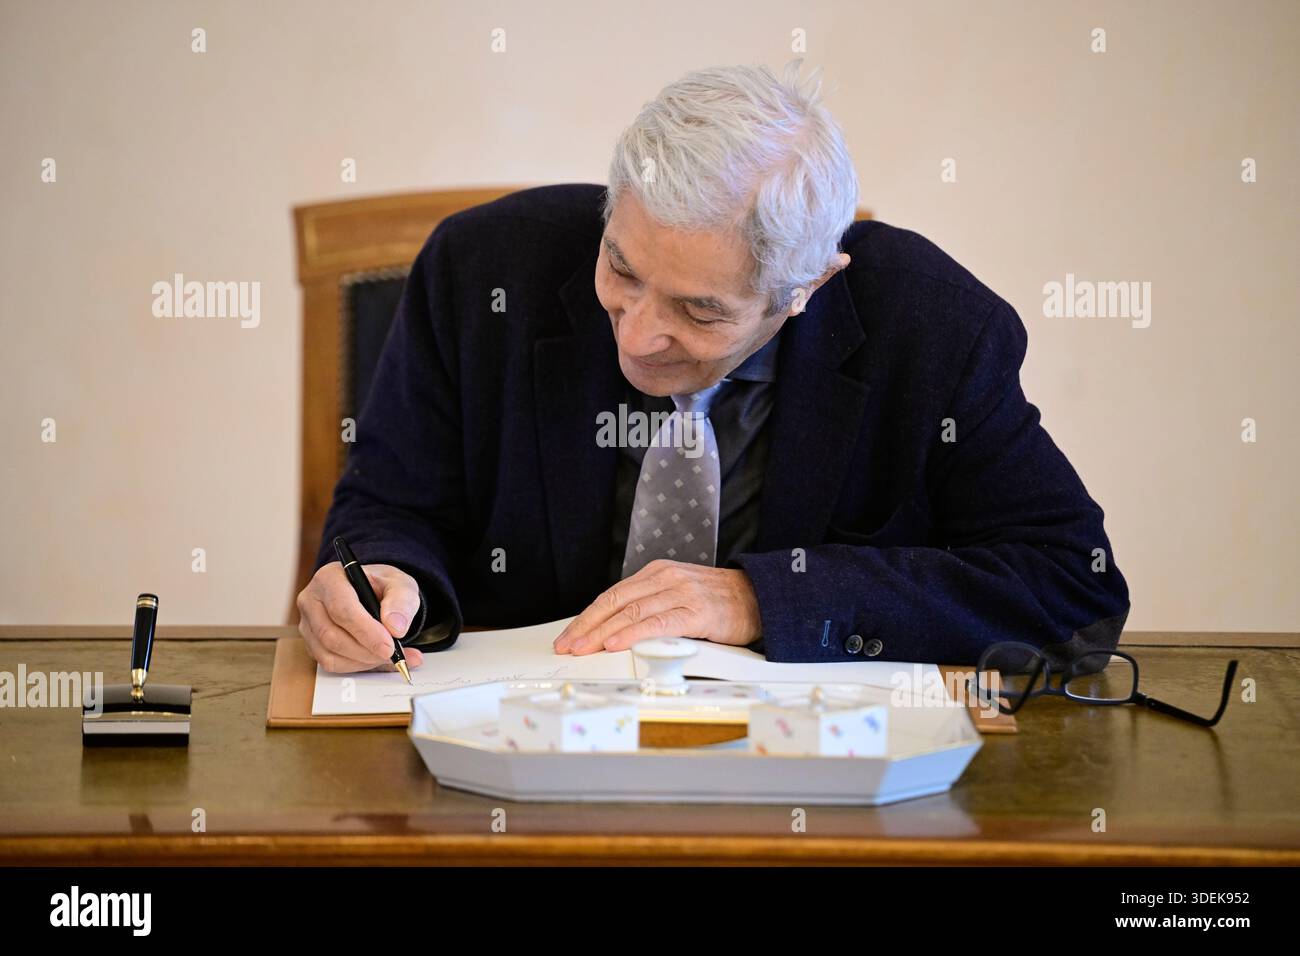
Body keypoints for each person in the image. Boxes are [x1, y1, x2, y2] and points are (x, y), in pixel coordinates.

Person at [296, 61, 1129, 675]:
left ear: (807, 289)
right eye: (621, 270)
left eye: (700, 311)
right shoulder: (482, 271)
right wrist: (384, 574)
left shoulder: (933, 326)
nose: (639, 337)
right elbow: (391, 503)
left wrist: (764, 598)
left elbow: (1069, 584)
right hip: (504, 745)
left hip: (803, 787)